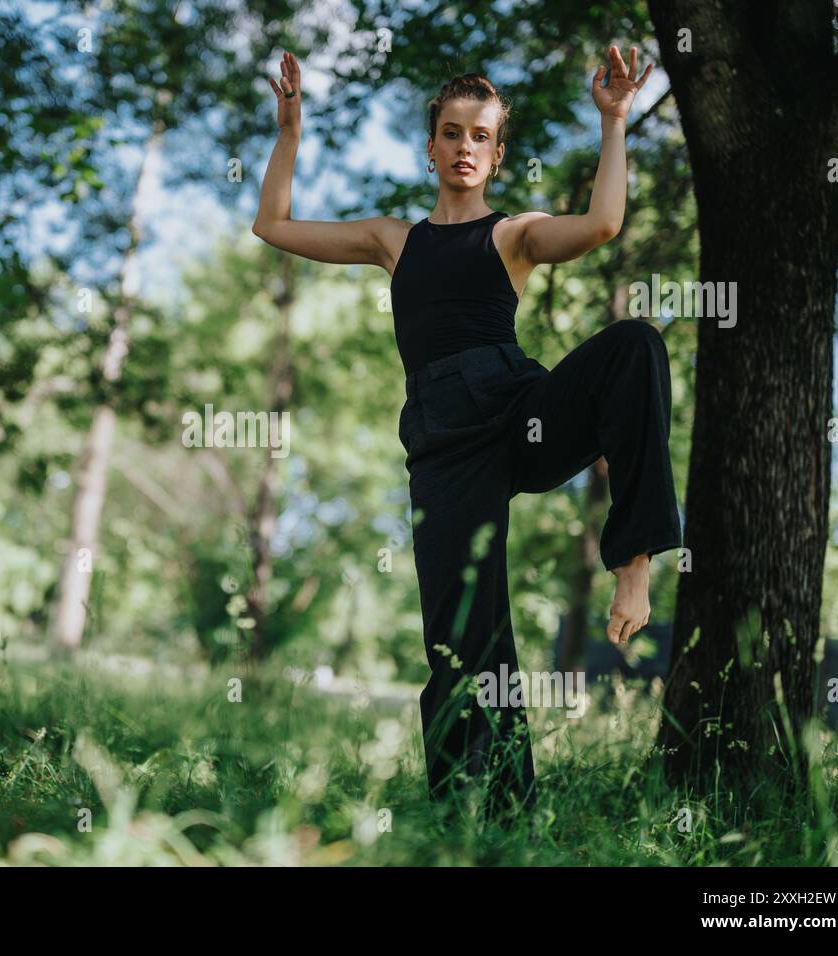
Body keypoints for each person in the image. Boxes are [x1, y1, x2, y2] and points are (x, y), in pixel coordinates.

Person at [252, 47, 681, 819]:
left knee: (636, 345)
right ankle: (480, 820)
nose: (464, 147)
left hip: (520, 414)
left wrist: (614, 120)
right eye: (451, 133)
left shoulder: (514, 235)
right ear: (431, 146)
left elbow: (604, 222)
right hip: (444, 443)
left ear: (496, 153)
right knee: (461, 640)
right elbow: (272, 224)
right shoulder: (394, 240)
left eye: (480, 136)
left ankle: (635, 557)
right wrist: (289, 134)